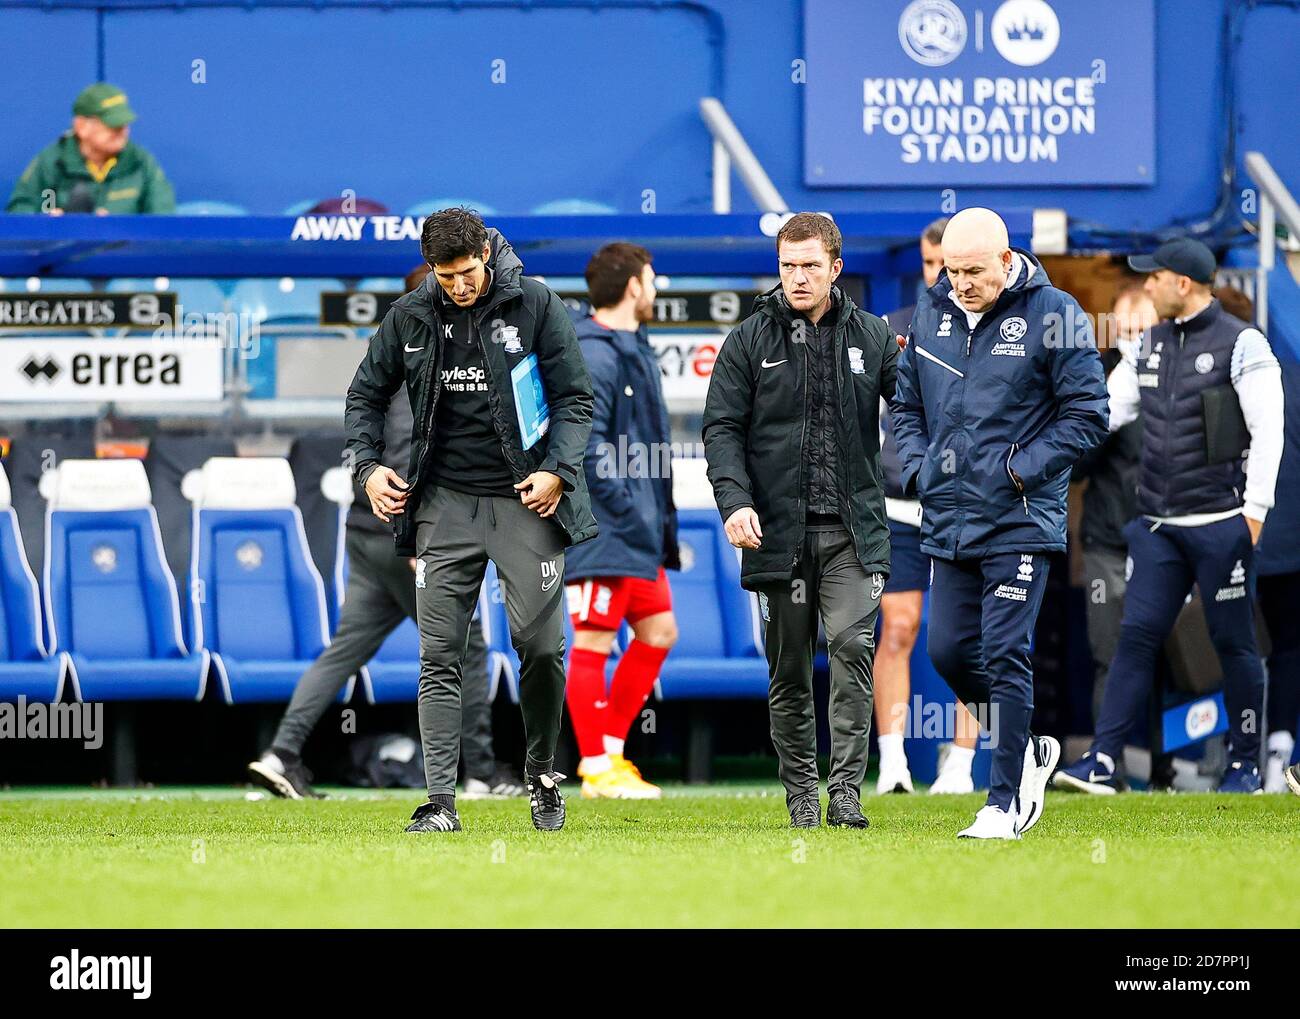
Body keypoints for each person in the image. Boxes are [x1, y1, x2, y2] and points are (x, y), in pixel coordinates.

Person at [346, 208, 597, 833]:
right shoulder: (410, 314)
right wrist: (370, 469)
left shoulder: (536, 303)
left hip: (526, 498)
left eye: (466, 272)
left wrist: (558, 471)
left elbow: (574, 397)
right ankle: (439, 801)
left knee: (540, 647)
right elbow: (363, 397)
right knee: (439, 652)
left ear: (486, 252)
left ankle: (542, 778)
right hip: (443, 506)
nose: (457, 285)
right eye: (444, 275)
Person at [246, 265, 524, 802]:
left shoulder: (395, 346)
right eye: (460, 285)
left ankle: (280, 753)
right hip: (406, 533)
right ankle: (482, 773)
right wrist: (417, 533)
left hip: (366, 530)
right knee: (465, 649)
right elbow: (402, 445)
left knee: (347, 650)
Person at [891, 207, 1108, 839]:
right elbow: (905, 405)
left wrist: (1019, 470)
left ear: (1007, 260)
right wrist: (916, 469)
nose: (960, 283)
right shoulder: (930, 314)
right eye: (952, 271)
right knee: (950, 651)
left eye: (973, 271)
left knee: (1006, 651)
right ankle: (1033, 746)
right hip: (948, 516)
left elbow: (1087, 413)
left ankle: (1004, 801)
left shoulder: (1056, 313)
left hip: (1019, 517)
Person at [1054, 237, 1283, 795]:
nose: (1145, 285)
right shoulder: (1146, 345)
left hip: (1220, 523)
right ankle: (1106, 763)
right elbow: (1106, 414)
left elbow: (1269, 431)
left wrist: (1252, 515)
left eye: (1153, 277)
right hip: (1155, 525)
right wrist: (1046, 445)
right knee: (1135, 638)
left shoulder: (1243, 343)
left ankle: (1245, 766)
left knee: (1233, 645)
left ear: (1182, 283)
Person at [704, 212, 897, 829]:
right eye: (788, 265)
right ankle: (802, 794)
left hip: (852, 533)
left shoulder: (872, 336)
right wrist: (734, 503)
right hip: (775, 537)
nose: (798, 277)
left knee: (850, 645)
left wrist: (925, 471)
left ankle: (845, 790)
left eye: (810, 265)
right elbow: (721, 430)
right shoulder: (748, 340)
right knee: (788, 669)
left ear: (836, 268)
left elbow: (918, 408)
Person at [563, 243, 680, 799]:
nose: (655, 290)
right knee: (592, 640)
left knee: (659, 632)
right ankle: (594, 764)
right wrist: (631, 513)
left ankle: (609, 753)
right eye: (651, 280)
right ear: (634, 287)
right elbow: (586, 451)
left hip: (637, 530)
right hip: (602, 528)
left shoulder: (632, 347)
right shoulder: (595, 354)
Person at [878, 215, 982, 795]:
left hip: (972, 508)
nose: (941, 276)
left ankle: (962, 766)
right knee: (899, 626)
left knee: (971, 637)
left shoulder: (1000, 332)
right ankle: (893, 764)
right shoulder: (893, 329)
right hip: (900, 506)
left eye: (953, 264)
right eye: (930, 264)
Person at [1071, 280, 1155, 725]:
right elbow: (1078, 465)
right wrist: (1110, 418)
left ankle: (1163, 765)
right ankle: (1107, 763)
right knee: (1108, 651)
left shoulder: (1173, 378)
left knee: (1164, 650)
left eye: (1145, 327)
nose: (1135, 337)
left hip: (1162, 536)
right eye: (1127, 326)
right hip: (1107, 537)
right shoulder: (1096, 378)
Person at [7, 83, 175, 215]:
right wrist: (48, 221)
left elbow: (163, 217)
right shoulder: (52, 162)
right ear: (81, 126)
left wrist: (117, 229)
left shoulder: (140, 161)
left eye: (125, 124)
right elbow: (21, 211)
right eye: (113, 125)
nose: (122, 131)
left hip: (125, 256)